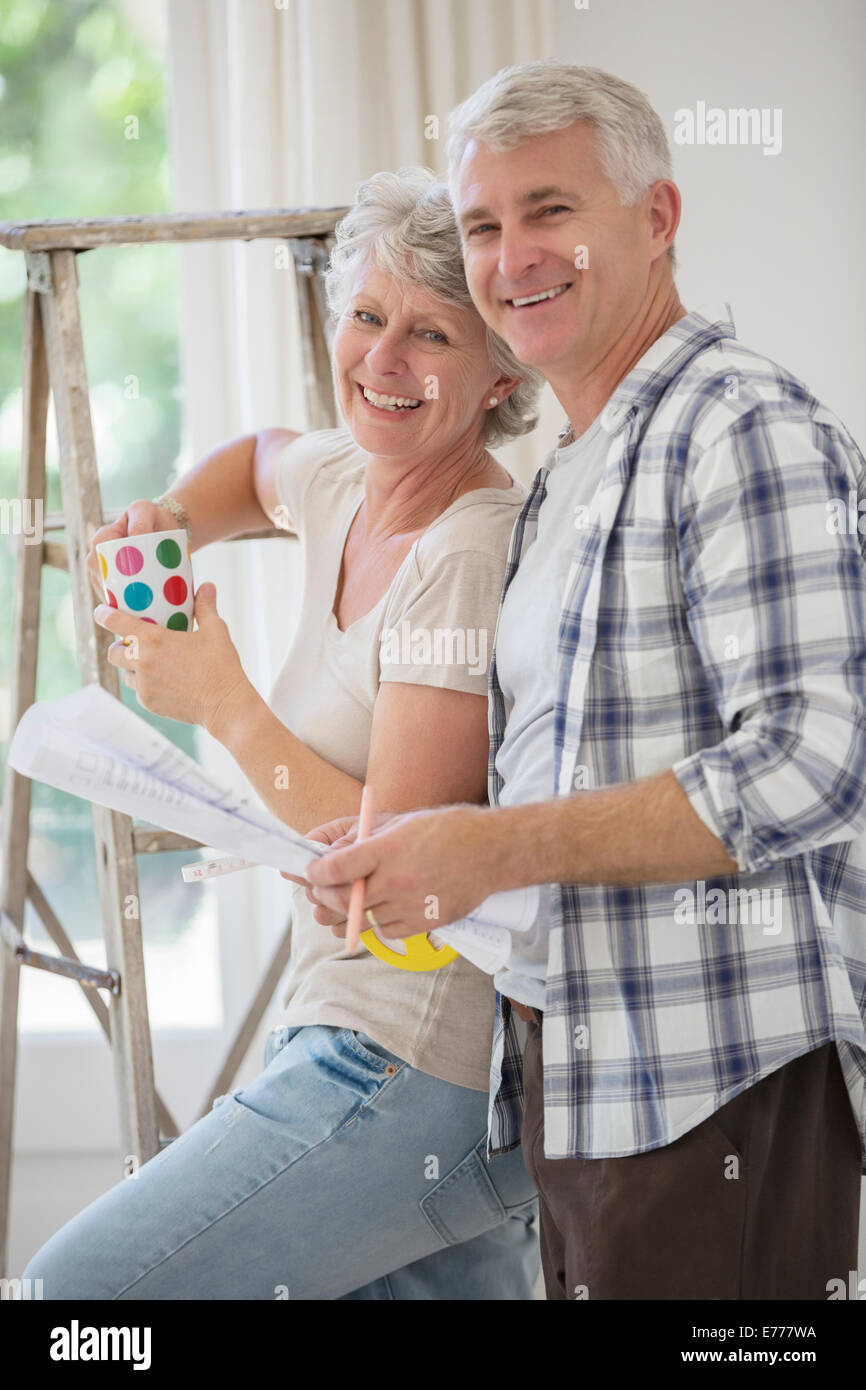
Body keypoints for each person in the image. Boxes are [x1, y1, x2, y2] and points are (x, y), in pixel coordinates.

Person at [300, 62, 866, 1301]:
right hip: (579, 1075)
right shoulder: (572, 470)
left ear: (654, 219)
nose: (511, 257)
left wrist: (492, 848)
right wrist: (422, 851)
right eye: (483, 225)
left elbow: (812, 765)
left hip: (714, 1080)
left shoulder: (738, 425)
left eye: (547, 210)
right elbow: (570, 774)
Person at [19, 168, 543, 1300]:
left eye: (430, 335)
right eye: (366, 316)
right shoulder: (351, 479)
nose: (382, 360)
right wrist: (167, 519)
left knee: (76, 1302)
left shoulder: (468, 552)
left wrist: (220, 699)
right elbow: (259, 461)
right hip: (363, 1046)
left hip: (408, 1062)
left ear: (502, 367)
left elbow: (385, 868)